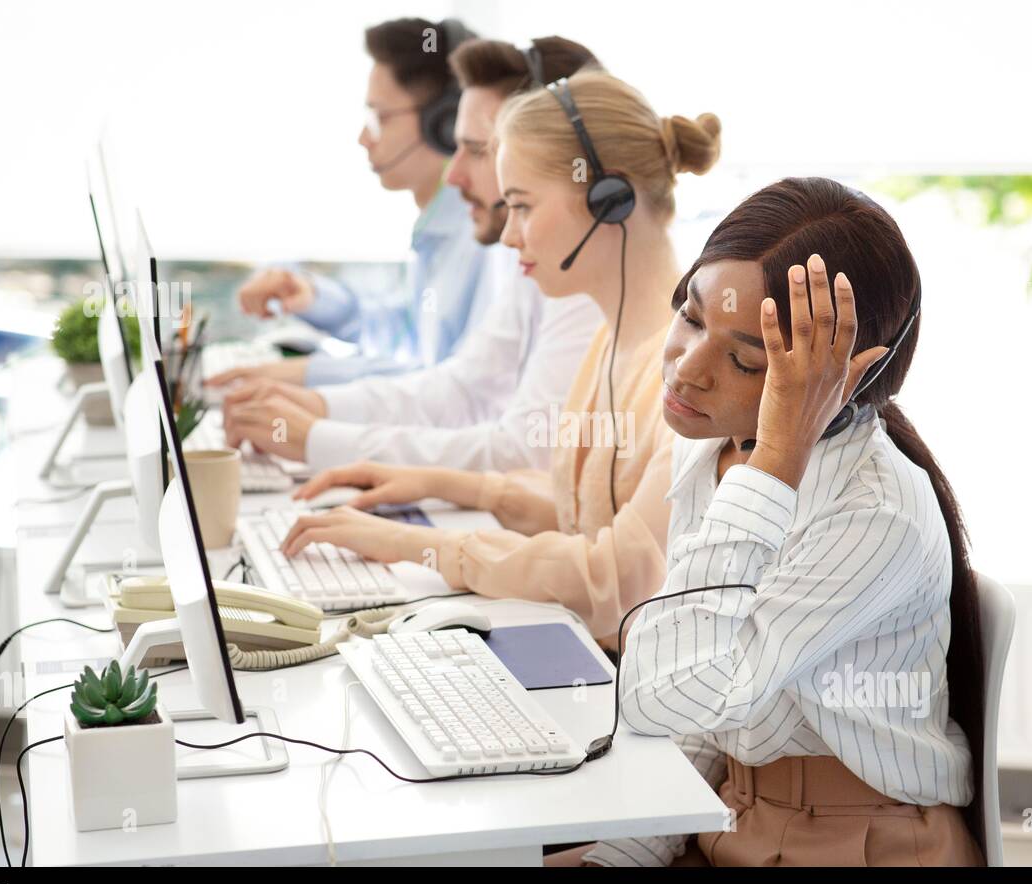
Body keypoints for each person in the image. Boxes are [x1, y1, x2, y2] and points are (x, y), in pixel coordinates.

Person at [547, 177, 986, 866]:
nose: (687, 370)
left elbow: (669, 696)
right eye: (690, 317)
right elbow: (696, 719)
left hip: (861, 846)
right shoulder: (715, 451)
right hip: (732, 820)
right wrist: (622, 856)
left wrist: (781, 449)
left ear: (848, 379)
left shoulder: (872, 512)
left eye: (747, 360)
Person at [277, 72, 722, 651]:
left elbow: (615, 577)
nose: (509, 236)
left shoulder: (687, 370)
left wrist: (419, 547)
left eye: (523, 207)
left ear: (608, 201)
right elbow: (586, 514)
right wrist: (446, 485)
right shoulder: (610, 337)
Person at [213, 38, 606, 473]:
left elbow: (521, 449)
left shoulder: (578, 278)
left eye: (478, 150)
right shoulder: (533, 260)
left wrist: (320, 435)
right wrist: (318, 406)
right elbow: (461, 387)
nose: (453, 174)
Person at [215, 17, 492, 388]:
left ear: (443, 123)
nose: (364, 137)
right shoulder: (438, 229)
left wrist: (305, 375)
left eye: (379, 117)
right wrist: (313, 298)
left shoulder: (485, 238)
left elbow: (453, 386)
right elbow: (404, 336)